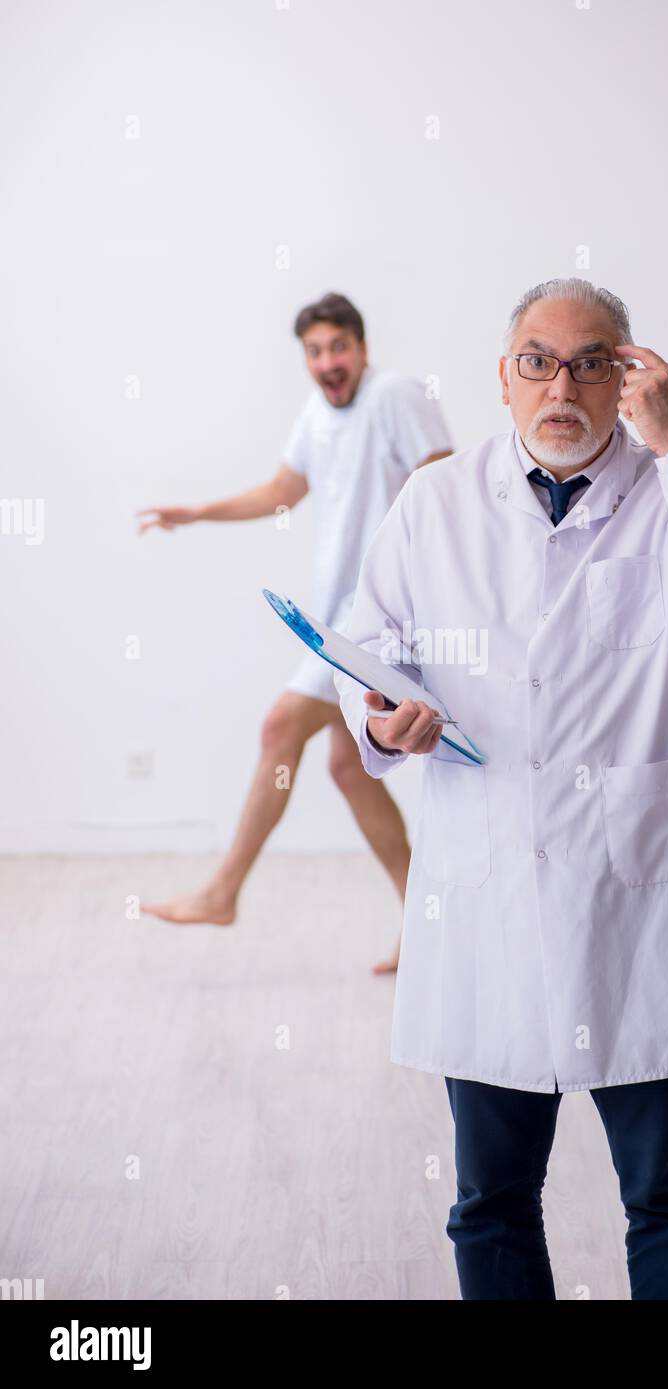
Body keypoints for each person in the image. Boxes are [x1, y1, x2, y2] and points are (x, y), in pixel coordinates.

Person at [333, 277, 668, 1298]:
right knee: (491, 1201)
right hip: (487, 887)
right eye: (539, 359)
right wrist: (382, 717)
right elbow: (368, 645)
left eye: (595, 361)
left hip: (644, 897)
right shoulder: (438, 502)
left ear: (631, 378)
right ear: (504, 379)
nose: (563, 382)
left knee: (666, 1197)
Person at [137, 293, 454, 972]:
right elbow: (281, 491)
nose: (327, 362)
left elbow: (444, 481)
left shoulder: (393, 395)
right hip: (337, 620)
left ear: (362, 349)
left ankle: (222, 892)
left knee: (280, 727)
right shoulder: (317, 414)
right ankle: (431, 921)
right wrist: (195, 513)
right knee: (350, 769)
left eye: (338, 346)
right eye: (314, 351)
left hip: (383, 620)